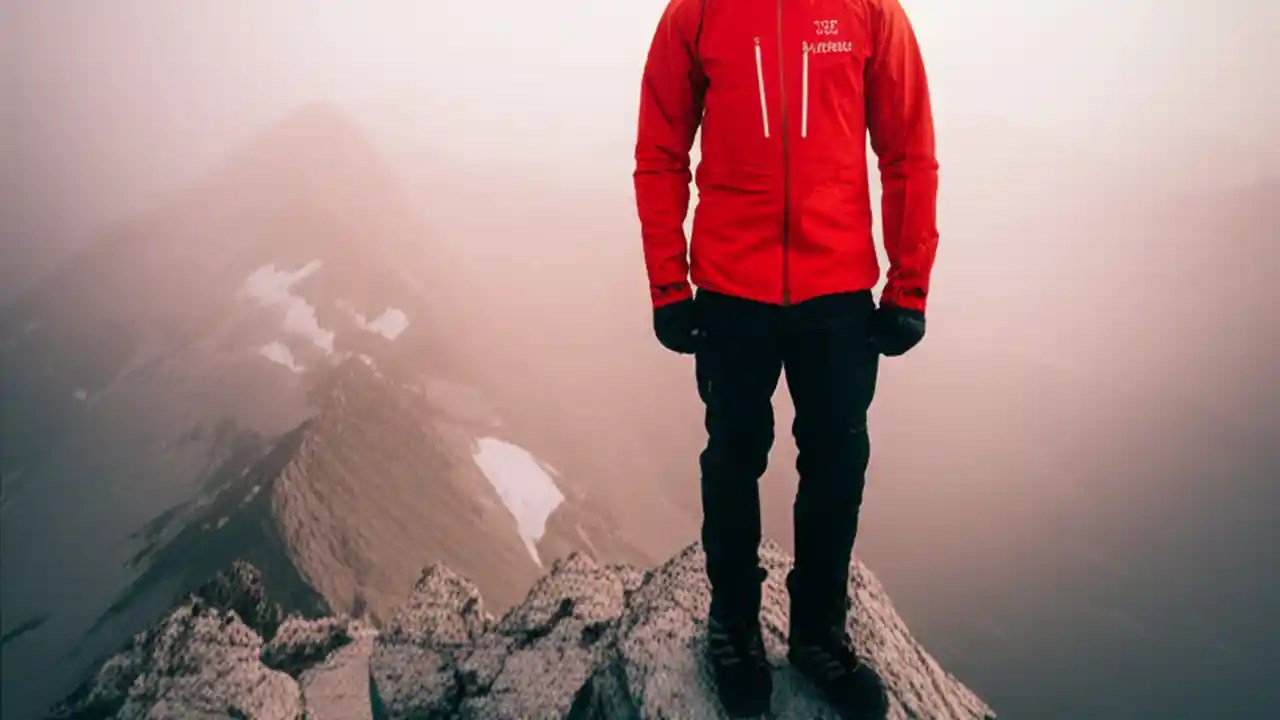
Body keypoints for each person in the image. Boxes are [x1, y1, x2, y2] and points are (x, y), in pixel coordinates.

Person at [633, 0, 938, 716]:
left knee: (838, 458)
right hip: (732, 289)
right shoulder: (698, 12)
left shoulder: (868, 11)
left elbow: (908, 147)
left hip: (837, 291)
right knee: (734, 455)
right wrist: (668, 282)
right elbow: (660, 150)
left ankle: (818, 632)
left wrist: (910, 282)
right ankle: (734, 623)